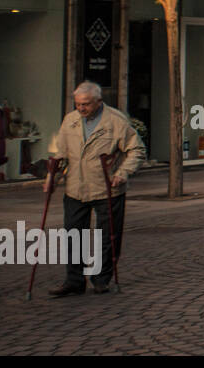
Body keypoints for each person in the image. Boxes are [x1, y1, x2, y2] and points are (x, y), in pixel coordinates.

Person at [45, 81, 145, 297]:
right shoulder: (70, 120)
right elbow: (60, 153)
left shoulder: (116, 121)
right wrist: (51, 177)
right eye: (78, 104)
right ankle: (74, 281)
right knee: (73, 235)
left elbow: (137, 150)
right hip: (75, 187)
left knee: (107, 236)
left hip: (107, 188)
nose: (81, 109)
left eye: (86, 104)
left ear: (99, 102)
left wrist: (123, 173)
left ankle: (101, 279)